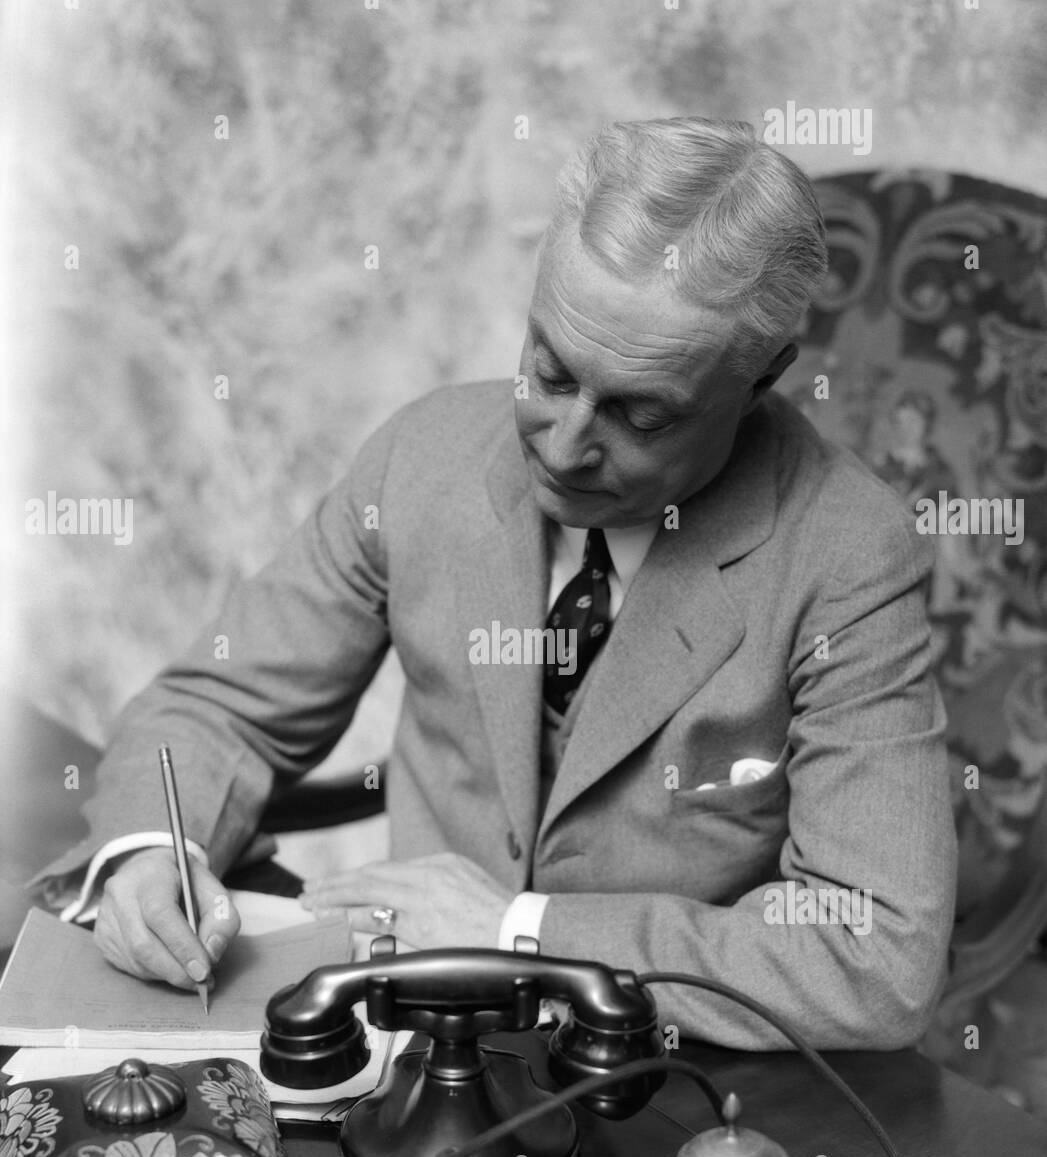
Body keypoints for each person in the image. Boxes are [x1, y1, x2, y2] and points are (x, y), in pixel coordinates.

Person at [33, 117, 957, 1048]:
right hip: (403, 1045)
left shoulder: (850, 554)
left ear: (758, 383)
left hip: (660, 1077)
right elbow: (219, 704)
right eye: (549, 372)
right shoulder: (422, 455)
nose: (561, 448)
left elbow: (873, 951)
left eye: (641, 417)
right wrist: (153, 850)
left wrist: (522, 937)